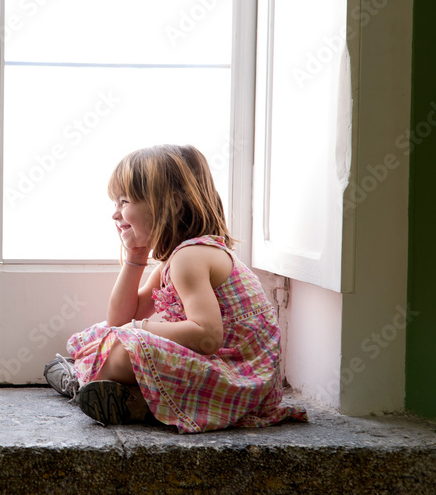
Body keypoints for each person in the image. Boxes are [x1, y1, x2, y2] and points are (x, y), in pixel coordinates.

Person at [44, 144, 307, 433]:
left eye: (124, 201)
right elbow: (119, 318)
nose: (115, 214)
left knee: (122, 349)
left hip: (238, 377)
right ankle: (130, 400)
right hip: (225, 372)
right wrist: (135, 258)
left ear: (171, 203)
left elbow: (207, 337)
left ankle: (87, 382)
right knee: (105, 334)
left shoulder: (190, 258)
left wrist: (137, 329)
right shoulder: (176, 259)